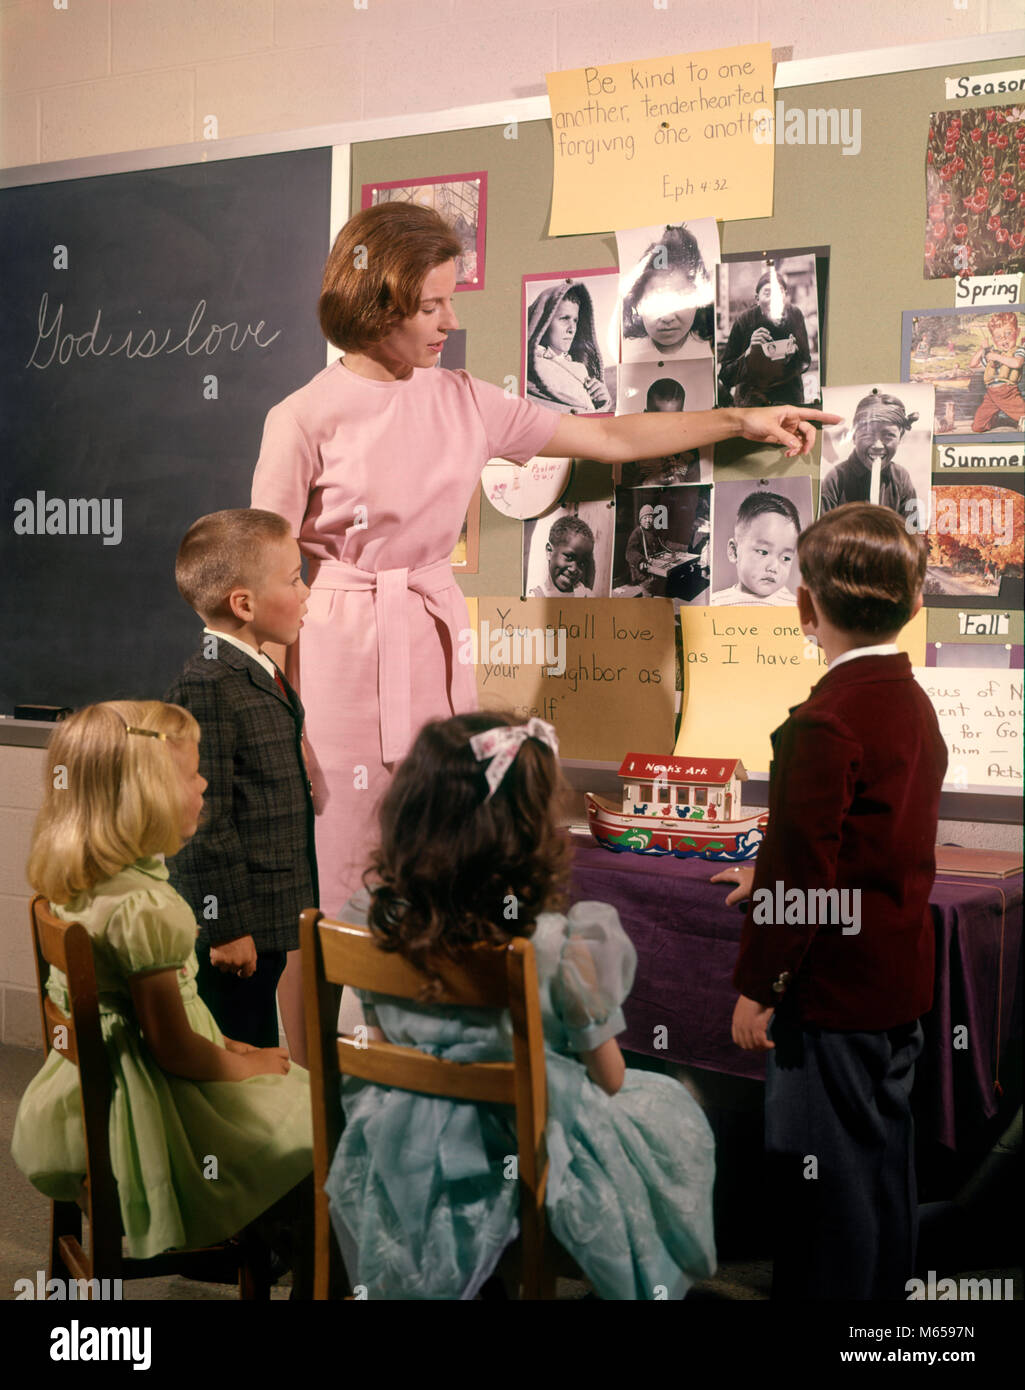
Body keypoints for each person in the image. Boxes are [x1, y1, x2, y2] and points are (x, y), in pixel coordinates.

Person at [251, 200, 837, 928]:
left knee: (436, 844)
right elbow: (261, 582)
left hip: (432, 640)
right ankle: (345, 1037)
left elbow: (612, 437)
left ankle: (424, 1025)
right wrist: (279, 723)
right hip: (335, 652)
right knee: (344, 856)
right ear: (378, 303)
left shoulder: (465, 399)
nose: (450, 321)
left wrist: (736, 419)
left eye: (450, 300)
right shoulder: (301, 417)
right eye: (430, 305)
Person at [325, 711, 717, 1300]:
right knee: (672, 1111)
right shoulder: (557, 945)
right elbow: (608, 1079)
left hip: (410, 1153)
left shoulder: (366, 921)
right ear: (529, 829)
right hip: (523, 1157)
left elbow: (380, 1046)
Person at [711, 503, 948, 1300]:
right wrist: (773, 869)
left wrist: (758, 986)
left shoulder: (823, 720)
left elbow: (806, 882)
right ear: (911, 605)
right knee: (879, 1172)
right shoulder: (907, 701)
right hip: (895, 988)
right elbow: (853, 844)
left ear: (805, 607)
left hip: (831, 999)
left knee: (823, 1190)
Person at [11, 701, 313, 1282]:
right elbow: (174, 1049)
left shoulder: (83, 889)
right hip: (157, 1112)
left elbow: (165, 1023)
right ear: (144, 796)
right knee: (314, 1121)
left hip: (89, 1102)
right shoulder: (144, 908)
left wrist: (239, 1048)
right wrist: (246, 1067)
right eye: (193, 774)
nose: (204, 784)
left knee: (288, 1085)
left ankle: (285, 1239)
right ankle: (314, 1264)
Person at [165, 510, 318, 1060]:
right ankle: (230, 1150)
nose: (306, 593)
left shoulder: (252, 668)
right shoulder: (208, 682)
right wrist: (224, 926)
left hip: (269, 913)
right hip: (238, 923)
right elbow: (202, 822)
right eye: (294, 578)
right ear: (244, 604)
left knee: (256, 1040)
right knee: (240, 1054)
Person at [718, 268, 812, 408]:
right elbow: (726, 376)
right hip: (751, 401)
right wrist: (749, 353)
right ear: (757, 299)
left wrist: (792, 357)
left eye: (779, 293)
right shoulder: (744, 321)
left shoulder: (795, 315)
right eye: (767, 294)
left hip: (788, 398)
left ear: (785, 296)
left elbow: (805, 361)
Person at [621, 224, 715, 359]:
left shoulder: (713, 348)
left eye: (680, 300)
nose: (667, 317)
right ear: (637, 302)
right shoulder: (625, 353)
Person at [819, 392, 919, 518]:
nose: (878, 445)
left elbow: (913, 531)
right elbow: (823, 534)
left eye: (888, 435)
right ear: (854, 436)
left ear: (901, 437)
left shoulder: (901, 478)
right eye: (867, 435)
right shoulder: (835, 479)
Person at [526, 280, 612, 413]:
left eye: (575, 320)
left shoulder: (581, 370)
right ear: (544, 322)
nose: (572, 329)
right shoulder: (528, 371)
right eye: (564, 318)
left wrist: (603, 401)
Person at [710, 490, 801, 606]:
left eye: (786, 558)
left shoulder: (796, 608)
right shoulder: (715, 603)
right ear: (734, 552)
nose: (773, 567)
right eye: (763, 552)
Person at [619, 378, 701, 487]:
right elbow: (622, 498)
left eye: (672, 420)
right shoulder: (632, 450)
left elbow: (696, 496)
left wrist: (677, 484)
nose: (665, 428)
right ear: (646, 416)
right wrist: (649, 483)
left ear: (682, 417)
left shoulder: (690, 451)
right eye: (658, 420)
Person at [968, 311, 1025, 433]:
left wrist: (995, 357)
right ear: (993, 339)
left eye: (1008, 333)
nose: (1004, 339)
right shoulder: (993, 354)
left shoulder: (1018, 351)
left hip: (1008, 393)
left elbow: (1017, 363)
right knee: (977, 427)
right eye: (998, 337)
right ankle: (995, 419)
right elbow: (972, 365)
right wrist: (982, 349)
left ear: (1018, 332)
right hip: (990, 395)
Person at [624, 503, 692, 595]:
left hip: (657, 571)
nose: (648, 520)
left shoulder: (654, 532)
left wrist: (684, 548)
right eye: (645, 518)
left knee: (660, 594)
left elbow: (665, 544)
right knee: (648, 597)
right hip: (645, 574)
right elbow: (630, 551)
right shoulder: (637, 533)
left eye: (650, 517)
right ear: (640, 520)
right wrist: (640, 561)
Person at [528, 514, 595, 597]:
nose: (574, 569)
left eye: (581, 563)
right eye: (569, 557)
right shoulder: (534, 597)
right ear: (549, 551)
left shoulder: (585, 595)